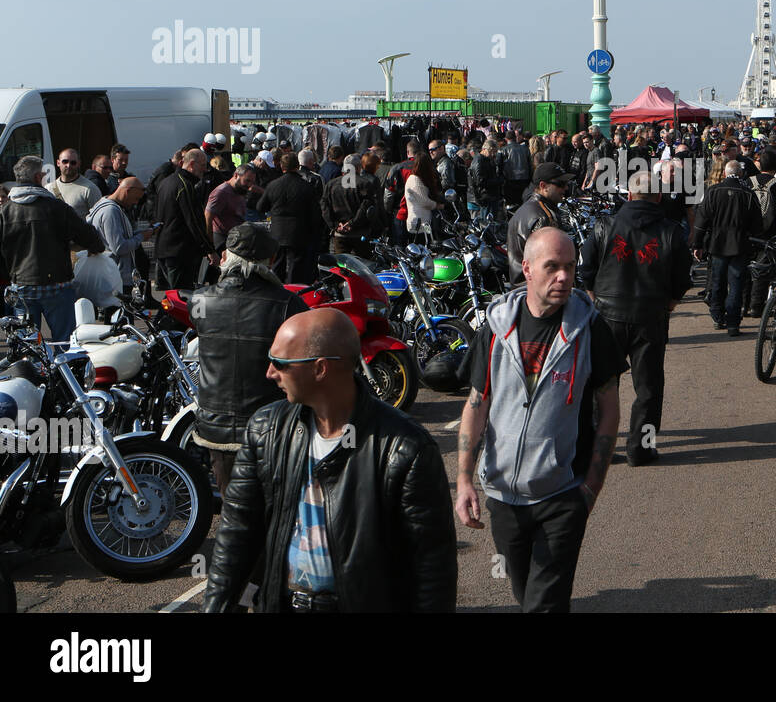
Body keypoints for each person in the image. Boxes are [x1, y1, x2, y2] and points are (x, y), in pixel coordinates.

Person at [203, 308, 457, 612]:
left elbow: (432, 566)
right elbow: (236, 531)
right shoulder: (265, 430)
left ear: (320, 369)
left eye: (281, 363)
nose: (270, 373)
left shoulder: (405, 447)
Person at [454, 228, 627, 612]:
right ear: (527, 269)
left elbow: (610, 411)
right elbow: (476, 405)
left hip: (562, 494)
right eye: (553, 267)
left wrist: (590, 490)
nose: (564, 277)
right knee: (524, 591)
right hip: (502, 495)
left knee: (542, 606)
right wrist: (464, 479)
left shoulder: (591, 329)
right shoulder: (496, 330)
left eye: (569, 267)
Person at [578, 171, 691, 467]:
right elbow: (683, 276)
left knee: (601, 383)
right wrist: (670, 303)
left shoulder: (605, 225)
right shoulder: (671, 230)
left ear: (629, 195)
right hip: (650, 316)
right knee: (650, 387)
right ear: (658, 197)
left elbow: (586, 267)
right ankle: (641, 448)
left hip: (607, 314)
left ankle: (595, 446)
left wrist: (593, 296)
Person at [189, 224, 311, 495]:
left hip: (214, 426)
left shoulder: (200, 301)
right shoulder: (289, 304)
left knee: (233, 508)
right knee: (273, 509)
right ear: (269, 261)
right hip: (271, 426)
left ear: (226, 258)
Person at [0, 155, 106, 342]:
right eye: (43, 173)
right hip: (57, 283)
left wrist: (10, 276)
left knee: (27, 345)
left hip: (21, 283)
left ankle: (30, 371)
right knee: (65, 342)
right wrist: (93, 247)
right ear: (36, 178)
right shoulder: (57, 208)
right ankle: (63, 370)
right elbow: (90, 237)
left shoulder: (6, 211)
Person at [693, 160, 762, 334]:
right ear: (740, 174)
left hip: (717, 245)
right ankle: (732, 322)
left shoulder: (713, 191)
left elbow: (701, 221)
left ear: (724, 173)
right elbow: (757, 225)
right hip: (739, 245)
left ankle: (718, 316)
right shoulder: (747, 194)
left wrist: (697, 243)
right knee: (736, 284)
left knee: (718, 281)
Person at [153, 147, 217, 290]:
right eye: (203, 165)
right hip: (179, 251)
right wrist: (209, 249)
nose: (205, 170)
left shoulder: (166, 182)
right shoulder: (184, 185)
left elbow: (156, 214)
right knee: (180, 296)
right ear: (192, 164)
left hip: (164, 248)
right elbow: (194, 221)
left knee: (171, 297)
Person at [258, 153, 320, 285]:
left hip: (277, 232)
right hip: (298, 232)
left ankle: (275, 290)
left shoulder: (273, 185)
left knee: (277, 264)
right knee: (295, 267)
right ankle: (293, 293)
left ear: (281, 166)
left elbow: (261, 206)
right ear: (297, 166)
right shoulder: (306, 187)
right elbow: (315, 213)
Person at [507, 163, 572, 285]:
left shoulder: (525, 209)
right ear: (543, 186)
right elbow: (551, 261)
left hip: (522, 286)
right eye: (560, 184)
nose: (566, 188)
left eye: (566, 184)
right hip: (537, 289)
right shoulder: (544, 216)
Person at [746, 150, 776, 315]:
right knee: (763, 270)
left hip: (748, 232)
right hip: (769, 234)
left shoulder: (747, 182)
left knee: (746, 268)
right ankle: (756, 305)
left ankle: (744, 304)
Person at [87, 176, 154, 290]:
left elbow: (119, 237)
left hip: (112, 275)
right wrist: (141, 237)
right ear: (127, 191)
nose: (135, 203)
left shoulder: (106, 204)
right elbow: (119, 247)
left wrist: (140, 233)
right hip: (115, 278)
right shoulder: (111, 211)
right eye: (136, 198)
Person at [320, 153, 384, 255]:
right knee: (362, 266)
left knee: (341, 266)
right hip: (360, 234)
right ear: (358, 168)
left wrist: (335, 225)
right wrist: (352, 223)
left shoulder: (331, 185)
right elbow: (366, 207)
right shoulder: (364, 184)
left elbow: (324, 207)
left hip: (340, 234)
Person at [205, 165, 259, 253]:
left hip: (235, 239)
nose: (249, 185)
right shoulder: (221, 192)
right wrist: (210, 248)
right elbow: (207, 218)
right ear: (236, 175)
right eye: (247, 181)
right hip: (221, 240)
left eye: (252, 182)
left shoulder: (240, 190)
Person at [48, 149, 99, 218]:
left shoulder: (90, 189)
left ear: (79, 164)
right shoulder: (48, 188)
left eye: (73, 163)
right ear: (58, 163)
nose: (68, 165)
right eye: (65, 161)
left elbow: (98, 219)